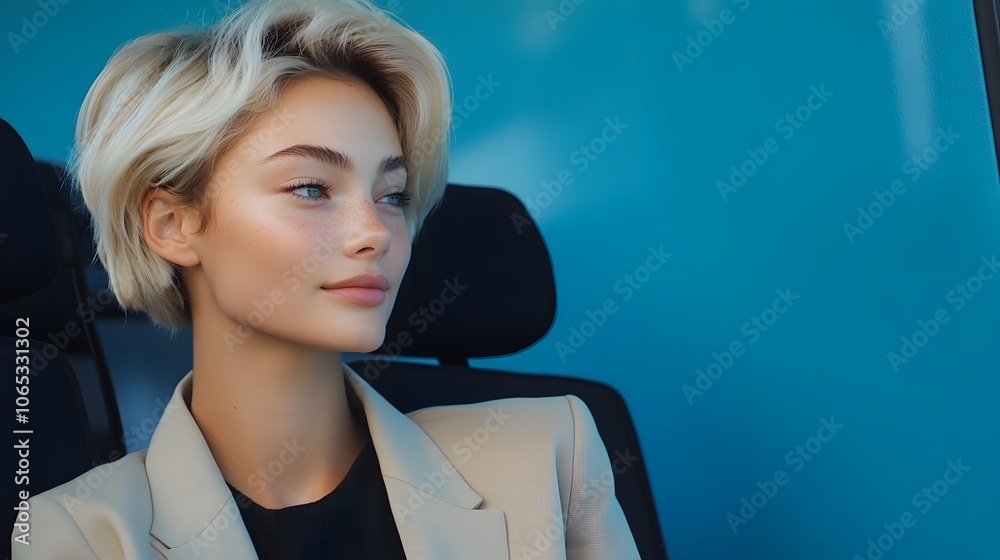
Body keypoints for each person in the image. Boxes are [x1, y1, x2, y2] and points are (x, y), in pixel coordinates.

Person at [10, 0, 642, 558]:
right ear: (174, 224)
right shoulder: (73, 537)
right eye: (311, 188)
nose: (376, 231)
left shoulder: (548, 454)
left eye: (392, 195)